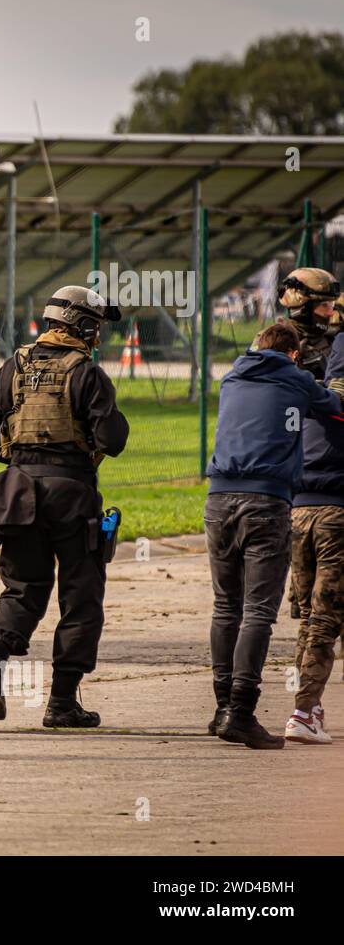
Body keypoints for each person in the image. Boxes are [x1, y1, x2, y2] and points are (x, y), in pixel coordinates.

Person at [0, 285, 129, 728]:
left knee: (23, 587)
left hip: (18, 494)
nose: (98, 336)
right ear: (82, 326)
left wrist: (24, 462)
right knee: (81, 597)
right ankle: (62, 703)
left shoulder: (11, 368)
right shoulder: (87, 373)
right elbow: (111, 441)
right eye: (95, 327)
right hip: (72, 495)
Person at [205, 320, 343, 749]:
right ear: (295, 354)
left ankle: (222, 706)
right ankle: (242, 713)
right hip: (265, 503)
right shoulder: (295, 378)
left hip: (217, 500)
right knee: (258, 613)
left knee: (225, 606)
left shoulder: (232, 378)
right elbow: (336, 407)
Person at [287, 332, 344, 744]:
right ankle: (305, 711)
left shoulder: (312, 402)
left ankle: (308, 707)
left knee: (310, 616)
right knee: (325, 619)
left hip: (299, 511)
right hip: (335, 516)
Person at [279, 267, 341, 379]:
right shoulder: (274, 341)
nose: (331, 313)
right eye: (324, 305)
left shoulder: (335, 340)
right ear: (303, 308)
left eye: (332, 306)